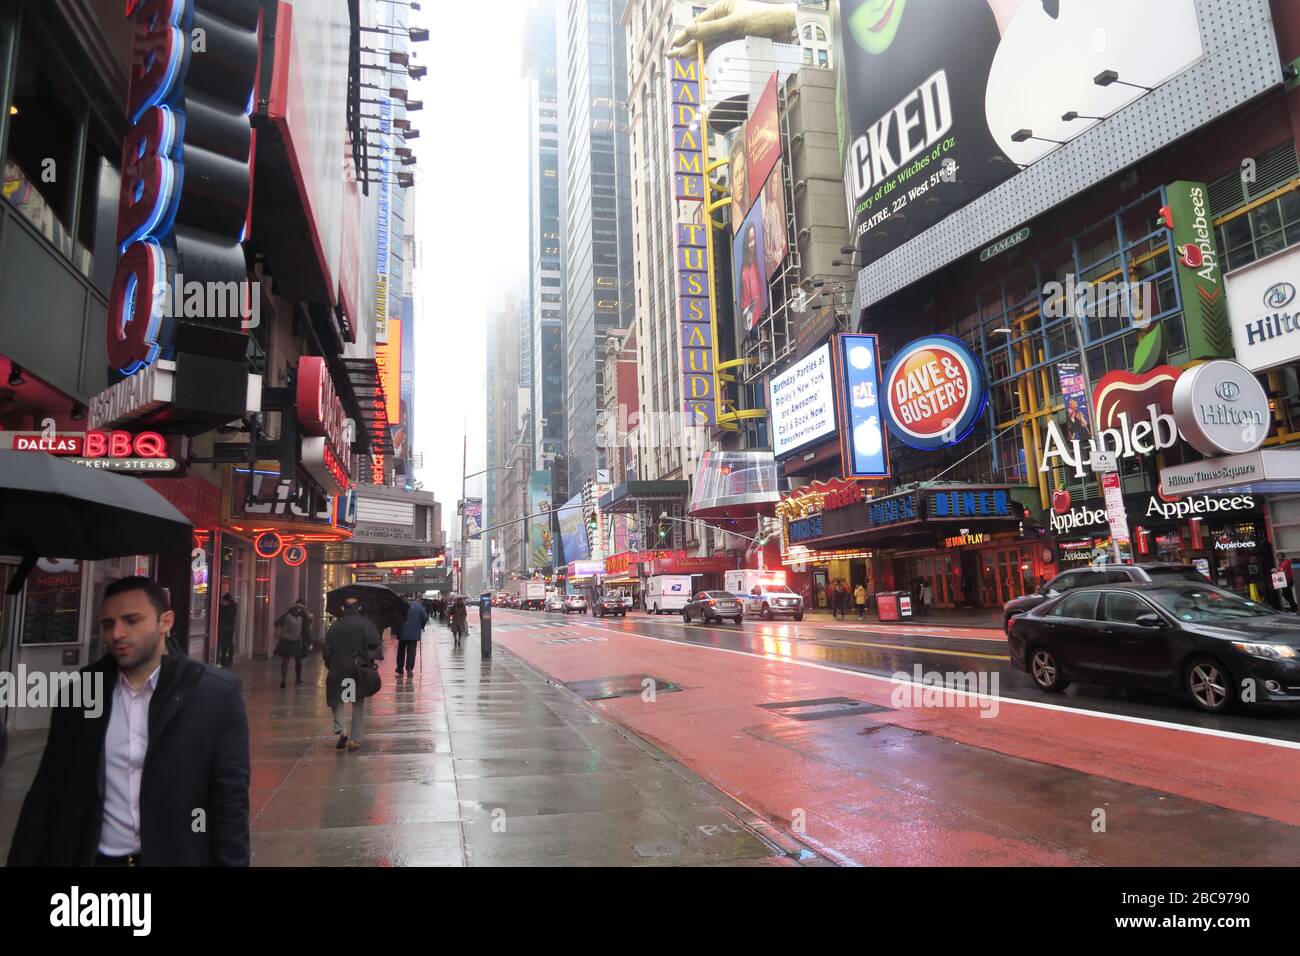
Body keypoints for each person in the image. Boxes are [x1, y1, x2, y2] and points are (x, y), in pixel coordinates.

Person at [7, 576, 250, 866]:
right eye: (108, 624)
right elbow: (47, 789)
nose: (117, 633)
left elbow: (230, 798)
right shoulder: (80, 693)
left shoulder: (215, 694)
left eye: (131, 620)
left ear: (166, 621)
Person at [323, 596, 381, 752]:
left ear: (343, 608)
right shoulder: (366, 623)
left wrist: (331, 664)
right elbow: (376, 644)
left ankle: (341, 729)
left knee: (337, 698)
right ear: (359, 607)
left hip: (339, 668)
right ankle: (355, 739)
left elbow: (327, 650)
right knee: (357, 701)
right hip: (358, 668)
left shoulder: (336, 626)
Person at [273, 597, 310, 688]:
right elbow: (306, 629)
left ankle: (283, 680)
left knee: (285, 660)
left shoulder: (287, 614)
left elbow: (276, 622)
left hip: (285, 641)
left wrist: (283, 630)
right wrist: (310, 641)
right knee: (298, 661)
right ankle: (297, 679)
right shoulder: (303, 615)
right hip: (297, 641)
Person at [397, 597, 428, 676]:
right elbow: (425, 617)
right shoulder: (419, 606)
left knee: (401, 650)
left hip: (402, 631)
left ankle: (400, 668)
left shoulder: (401, 605)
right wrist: (421, 626)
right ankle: (409, 669)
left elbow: (395, 617)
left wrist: (396, 629)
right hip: (414, 632)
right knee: (411, 651)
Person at [217, 592, 238, 668]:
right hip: (226, 628)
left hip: (227, 629)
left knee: (228, 644)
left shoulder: (231, 607)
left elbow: (225, 615)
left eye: (224, 601)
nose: (222, 602)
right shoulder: (230, 606)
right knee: (224, 645)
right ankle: (224, 659)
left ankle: (229, 660)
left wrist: (222, 606)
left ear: (227, 601)